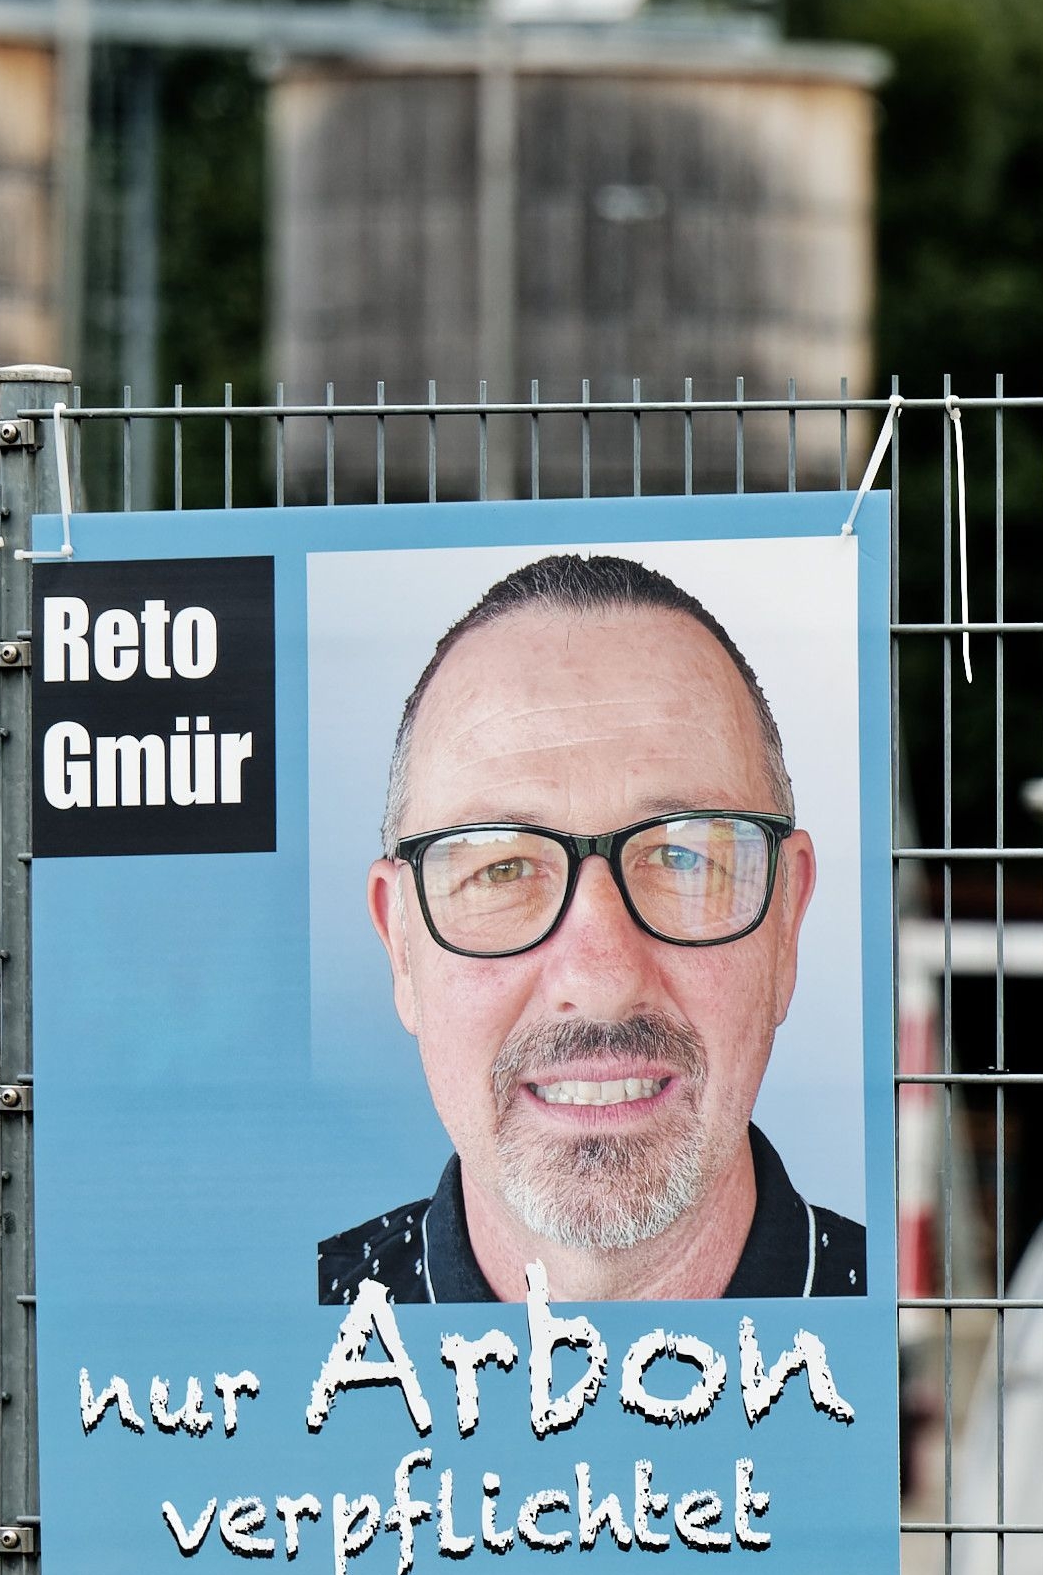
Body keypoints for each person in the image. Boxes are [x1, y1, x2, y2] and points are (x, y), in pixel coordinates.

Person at [314, 551, 870, 1307]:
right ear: (401, 950)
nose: (601, 978)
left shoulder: (916, 1351)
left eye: (681, 857)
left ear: (786, 925)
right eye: (503, 868)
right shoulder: (262, 1361)